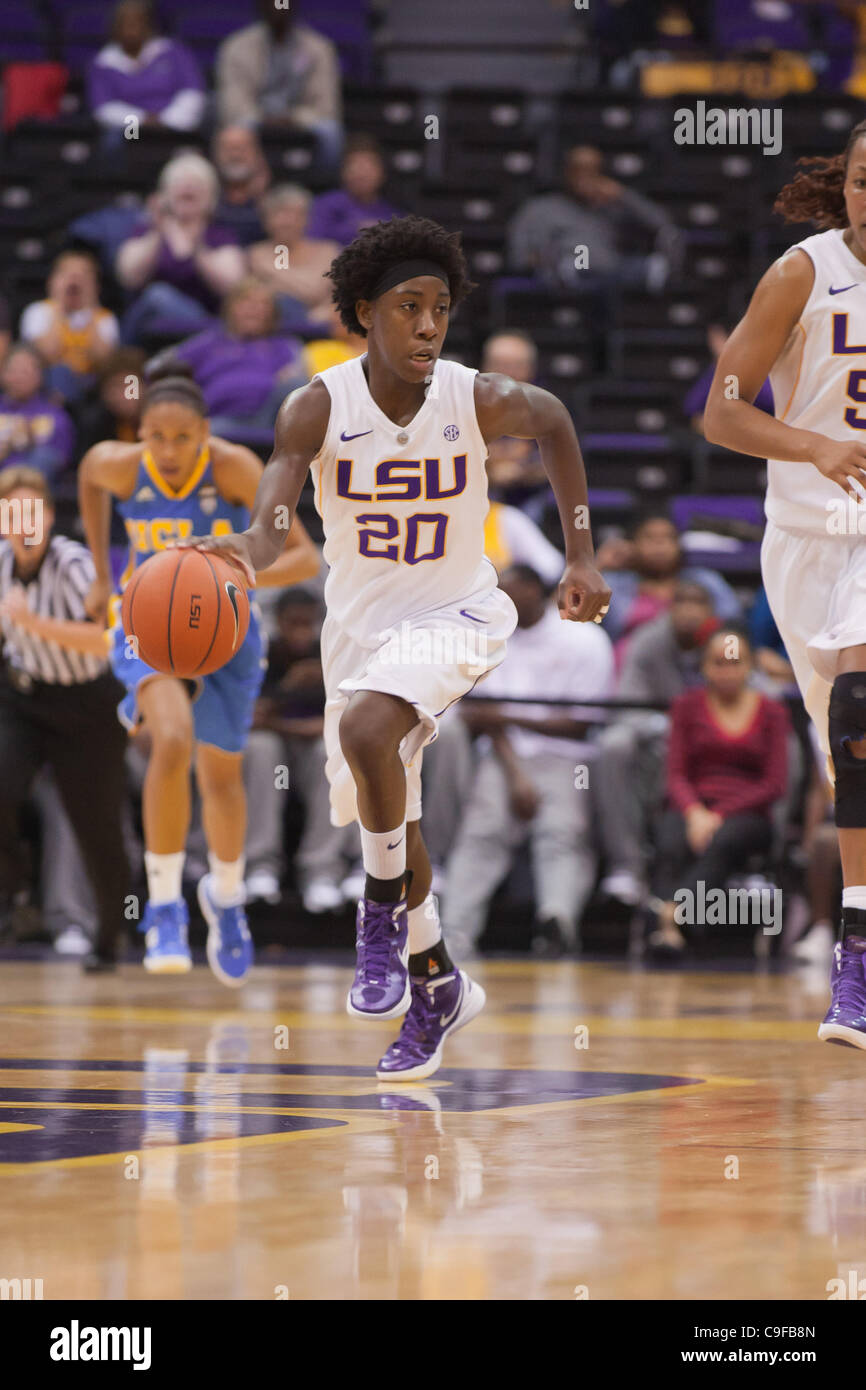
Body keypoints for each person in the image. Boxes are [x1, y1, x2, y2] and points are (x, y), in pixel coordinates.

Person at [183, 214, 610, 1080]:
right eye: (409, 308)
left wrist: (582, 552)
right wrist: (242, 553)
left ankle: (375, 917)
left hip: (455, 611)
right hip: (362, 633)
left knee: (370, 735)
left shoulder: (474, 397)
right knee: (391, 809)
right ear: (364, 312)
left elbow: (557, 421)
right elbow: (273, 521)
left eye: (441, 310)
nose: (427, 326)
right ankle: (437, 982)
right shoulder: (317, 405)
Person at [77, 364, 319, 985]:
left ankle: (228, 898)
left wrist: (233, 573)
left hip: (227, 631)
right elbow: (87, 478)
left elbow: (303, 557)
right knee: (173, 738)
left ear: (204, 433)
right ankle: (161, 905)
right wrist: (105, 578)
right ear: (141, 433)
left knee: (221, 776)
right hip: (146, 626)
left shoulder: (234, 466)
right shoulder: (117, 463)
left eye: (182, 438)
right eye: (156, 436)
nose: (168, 449)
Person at [704, 116, 866, 1045]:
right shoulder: (803, 273)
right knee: (847, 751)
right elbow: (723, 414)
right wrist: (813, 446)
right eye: (858, 179)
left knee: (859, 704)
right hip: (806, 538)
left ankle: (855, 951)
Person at [442, 563, 614, 958]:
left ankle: (557, 925)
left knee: (563, 833)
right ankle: (454, 935)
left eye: (513, 591)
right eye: (498, 593)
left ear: (540, 591)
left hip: (569, 759)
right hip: (505, 757)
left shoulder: (585, 640)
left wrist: (506, 718)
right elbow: (484, 719)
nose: (505, 601)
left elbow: (581, 725)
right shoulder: (486, 639)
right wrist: (516, 774)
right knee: (482, 832)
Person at [0, 466, 130, 971]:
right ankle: (15, 891)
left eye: (32, 510)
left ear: (49, 517)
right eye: (12, 512)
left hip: (89, 705)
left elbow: (104, 638)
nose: (23, 521)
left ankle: (108, 938)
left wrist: (33, 621)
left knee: (96, 830)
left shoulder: (76, 563)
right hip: (24, 700)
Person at [649, 626, 789, 954]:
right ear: (703, 667)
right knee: (670, 836)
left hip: (748, 813)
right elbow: (676, 774)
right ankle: (685, 924)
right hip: (692, 806)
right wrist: (696, 813)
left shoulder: (772, 711)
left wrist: (719, 815)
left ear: (750, 666)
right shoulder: (686, 706)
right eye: (718, 663)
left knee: (725, 840)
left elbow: (774, 784)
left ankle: (671, 918)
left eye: (735, 662)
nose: (726, 671)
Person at [595, 579, 720, 906]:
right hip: (659, 739)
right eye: (683, 602)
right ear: (670, 608)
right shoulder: (648, 640)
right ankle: (628, 866)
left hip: (719, 741)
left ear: (711, 612)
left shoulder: (724, 641)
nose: (690, 612)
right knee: (614, 745)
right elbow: (627, 708)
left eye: (698, 603)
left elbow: (757, 694)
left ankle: (759, 861)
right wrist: (676, 730)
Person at [244, 588, 354, 912]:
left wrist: (282, 723)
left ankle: (321, 871)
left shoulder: (331, 657)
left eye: (308, 624)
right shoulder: (263, 655)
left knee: (330, 752)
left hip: (310, 754)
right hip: (277, 761)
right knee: (263, 749)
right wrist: (289, 690)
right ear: (278, 622)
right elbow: (250, 720)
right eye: (294, 624)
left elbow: (341, 724)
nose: (301, 632)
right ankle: (259, 865)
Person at [506, 143, 679, 294]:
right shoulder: (541, 208)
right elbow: (521, 255)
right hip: (566, 280)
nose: (585, 178)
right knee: (568, 271)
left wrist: (623, 195)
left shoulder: (613, 205)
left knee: (648, 268)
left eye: (592, 170)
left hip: (614, 277)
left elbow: (663, 224)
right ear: (566, 172)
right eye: (579, 170)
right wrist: (545, 261)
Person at [116, 153, 245, 342]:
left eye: (196, 185)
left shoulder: (220, 236)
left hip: (205, 324)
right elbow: (129, 277)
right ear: (165, 194)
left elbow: (232, 287)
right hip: (152, 327)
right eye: (181, 184)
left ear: (210, 196)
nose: (188, 188)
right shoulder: (146, 231)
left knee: (159, 294)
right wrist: (157, 233)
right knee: (156, 295)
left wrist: (198, 249)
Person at [599, 506, 741, 667]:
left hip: (695, 671)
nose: (660, 546)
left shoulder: (705, 580)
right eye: (650, 538)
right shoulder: (615, 584)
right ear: (633, 544)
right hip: (629, 674)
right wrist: (598, 566)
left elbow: (733, 626)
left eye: (668, 538)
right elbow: (576, 619)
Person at [168, 279, 305, 438]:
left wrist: (291, 376)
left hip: (267, 418)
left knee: (297, 385)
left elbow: (298, 381)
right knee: (198, 433)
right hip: (219, 417)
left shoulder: (285, 345)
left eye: (263, 304)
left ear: (273, 313)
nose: (255, 309)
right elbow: (159, 366)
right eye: (247, 301)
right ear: (231, 307)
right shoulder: (207, 342)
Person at [215, 2, 343, 171]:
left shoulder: (318, 47)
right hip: (255, 116)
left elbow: (325, 106)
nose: (278, 6)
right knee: (236, 128)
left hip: (300, 117)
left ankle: (324, 184)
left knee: (331, 131)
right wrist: (262, 117)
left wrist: (292, 118)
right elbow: (234, 106)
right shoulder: (237, 46)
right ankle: (243, 184)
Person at [87, 0, 205, 137]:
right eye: (125, 24)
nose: (131, 29)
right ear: (115, 28)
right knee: (117, 138)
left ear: (148, 25)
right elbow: (103, 108)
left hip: (174, 124)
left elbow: (192, 92)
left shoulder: (172, 51)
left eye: (137, 23)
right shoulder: (104, 62)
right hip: (130, 128)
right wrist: (142, 120)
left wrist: (166, 121)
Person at [20, 251, 119, 402]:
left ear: (95, 285)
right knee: (60, 372)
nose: (75, 279)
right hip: (49, 384)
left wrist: (90, 307)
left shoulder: (105, 317)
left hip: (91, 386)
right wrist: (60, 305)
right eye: (66, 273)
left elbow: (103, 361)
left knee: (125, 379)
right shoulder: (38, 311)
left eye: (84, 275)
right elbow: (47, 355)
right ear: (52, 281)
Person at [248, 184, 339, 328]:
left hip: (322, 326)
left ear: (307, 219)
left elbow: (321, 293)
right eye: (279, 213)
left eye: (295, 214)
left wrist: (271, 274)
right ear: (266, 220)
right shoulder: (257, 253)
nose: (287, 222)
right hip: (276, 326)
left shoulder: (327, 251)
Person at [480, 330, 548, 510]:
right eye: (501, 365)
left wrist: (522, 472)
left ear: (531, 370)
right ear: (485, 367)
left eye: (517, 366)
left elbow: (556, 464)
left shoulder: (547, 410)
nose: (508, 373)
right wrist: (491, 472)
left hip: (530, 497)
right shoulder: (464, 406)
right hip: (477, 494)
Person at [308, 136, 403, 247]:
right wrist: (355, 229)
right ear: (343, 172)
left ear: (382, 174)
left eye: (368, 168)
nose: (361, 175)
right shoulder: (323, 205)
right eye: (355, 167)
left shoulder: (392, 212)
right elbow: (312, 242)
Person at [0, 344, 75, 481]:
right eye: (13, 371)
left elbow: (61, 459)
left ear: (40, 376)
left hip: (36, 487)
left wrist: (31, 442)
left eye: (26, 372)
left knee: (43, 457)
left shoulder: (55, 415)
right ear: (2, 374)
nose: (19, 378)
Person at [211, 126, 271, 248]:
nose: (235, 154)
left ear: (258, 155)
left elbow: (284, 260)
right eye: (227, 148)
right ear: (215, 155)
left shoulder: (275, 206)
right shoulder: (203, 206)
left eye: (243, 148)